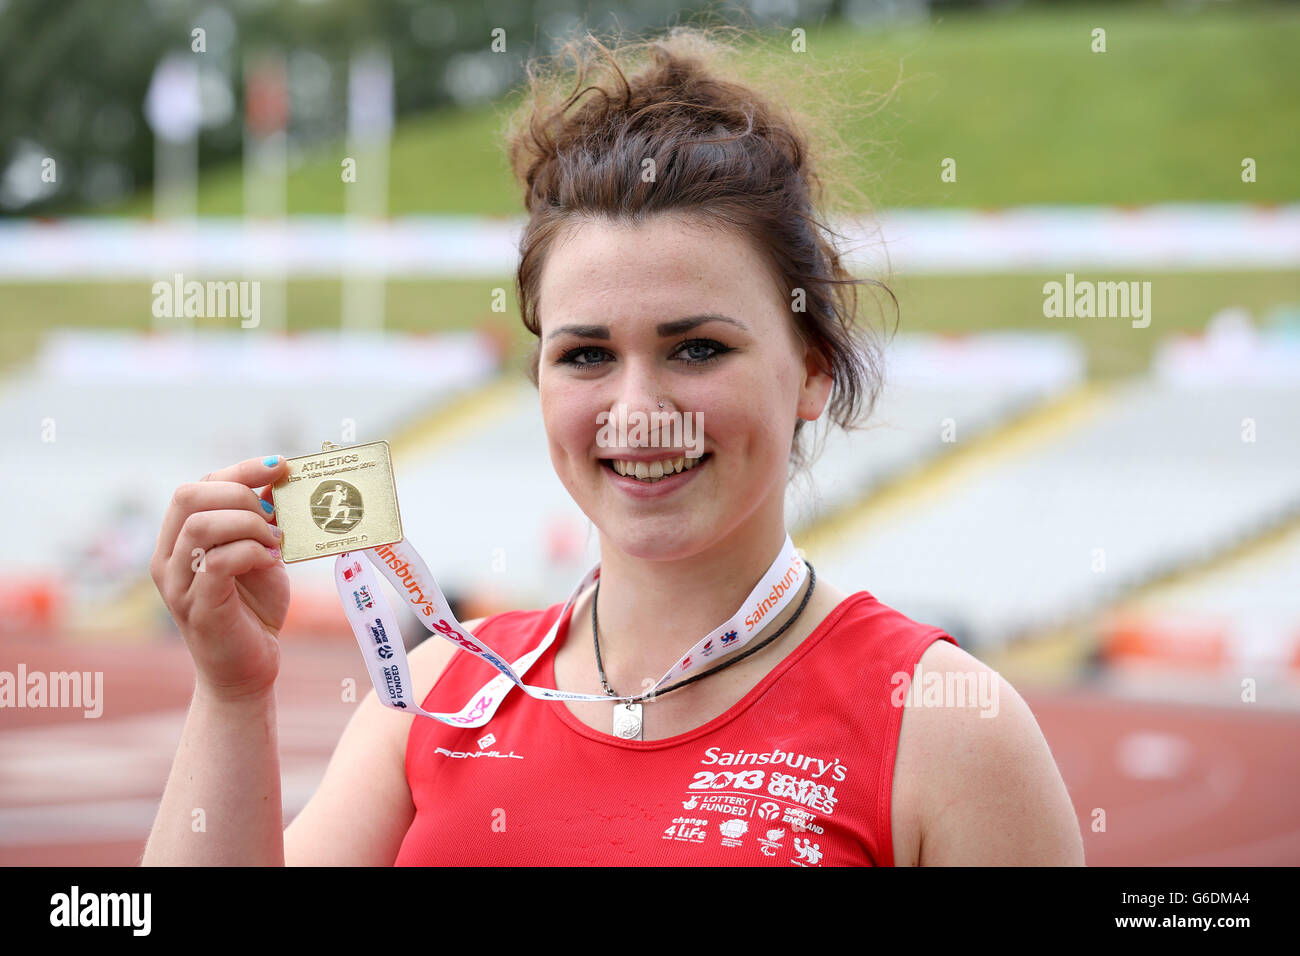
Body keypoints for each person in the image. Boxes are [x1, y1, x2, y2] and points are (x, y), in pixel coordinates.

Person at [142, 26, 1083, 866]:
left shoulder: (946, 729)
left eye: (698, 348)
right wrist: (231, 695)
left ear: (812, 370)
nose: (637, 412)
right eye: (587, 354)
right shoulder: (431, 701)